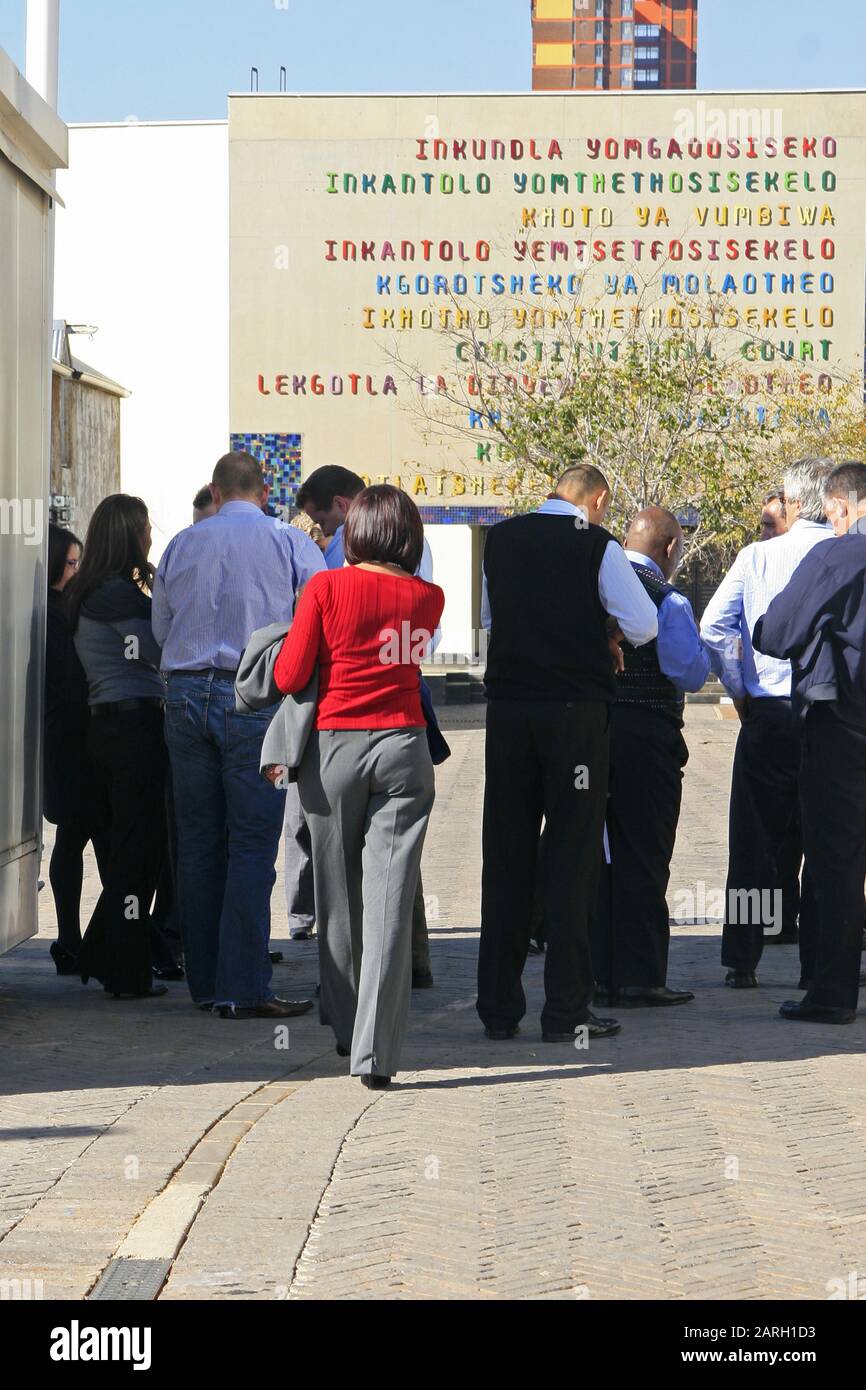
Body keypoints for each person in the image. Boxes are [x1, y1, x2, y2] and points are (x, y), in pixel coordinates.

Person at [477, 464, 658, 1044]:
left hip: (508, 713)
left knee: (505, 852)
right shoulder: (597, 545)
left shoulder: (500, 539)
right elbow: (645, 625)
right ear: (598, 501)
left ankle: (498, 1009)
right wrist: (600, 630)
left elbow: (490, 621)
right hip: (575, 716)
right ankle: (565, 1010)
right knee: (572, 856)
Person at [273, 485, 444, 1087]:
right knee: (392, 901)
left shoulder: (324, 586)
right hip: (404, 746)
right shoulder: (429, 596)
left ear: (358, 530)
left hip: (334, 749)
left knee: (337, 897)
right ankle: (377, 1052)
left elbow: (291, 673)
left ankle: (346, 1028)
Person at [152, 451, 325, 1019]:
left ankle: (205, 983)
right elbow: (317, 619)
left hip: (182, 696)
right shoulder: (289, 543)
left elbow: (161, 626)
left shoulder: (181, 543)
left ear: (216, 491)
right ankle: (243, 986)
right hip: (252, 698)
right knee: (252, 845)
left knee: (198, 844)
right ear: (264, 490)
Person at [700, 458, 833, 989]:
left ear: (795, 503)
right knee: (826, 838)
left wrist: (739, 687)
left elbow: (713, 626)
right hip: (830, 716)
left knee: (753, 840)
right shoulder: (848, 556)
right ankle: (819, 963)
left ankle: (742, 958)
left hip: (769, 714)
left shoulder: (757, 557)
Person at [753, 461, 866, 1024]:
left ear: (839, 507)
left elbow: (775, 632)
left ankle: (833, 993)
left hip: (842, 729)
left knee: (837, 861)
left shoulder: (834, 557)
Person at [592, 507, 709, 1008]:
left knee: (599, 853)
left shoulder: (596, 588)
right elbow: (689, 673)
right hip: (649, 737)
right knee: (645, 852)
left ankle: (599, 972)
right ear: (670, 549)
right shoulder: (670, 599)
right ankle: (640, 976)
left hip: (595, 732)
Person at [67, 496, 168, 999]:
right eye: (146, 527)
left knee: (130, 851)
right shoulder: (116, 597)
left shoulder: (97, 590)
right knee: (137, 853)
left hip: (109, 729)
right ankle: (123, 969)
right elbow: (154, 651)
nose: (151, 535)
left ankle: (105, 954)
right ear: (130, 533)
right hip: (132, 730)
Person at [44, 524, 109, 975]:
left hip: (69, 739)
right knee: (84, 834)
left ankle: (75, 939)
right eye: (70, 563)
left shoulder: (61, 609)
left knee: (74, 835)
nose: (77, 571)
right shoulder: (54, 614)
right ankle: (86, 940)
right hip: (74, 739)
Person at [297, 465, 434, 578]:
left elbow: (327, 594)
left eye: (322, 521)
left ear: (340, 504)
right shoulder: (416, 536)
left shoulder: (346, 535)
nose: (325, 532)